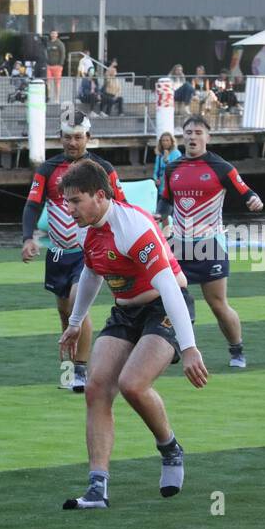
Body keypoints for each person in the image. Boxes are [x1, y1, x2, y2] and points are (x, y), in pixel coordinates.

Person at [58, 159, 207, 510]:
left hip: (164, 308)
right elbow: (94, 274)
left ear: (99, 195)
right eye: (66, 201)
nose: (69, 209)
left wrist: (189, 348)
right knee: (96, 387)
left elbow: (170, 287)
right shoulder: (88, 227)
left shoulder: (132, 227)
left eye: (75, 201)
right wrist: (76, 321)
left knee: (132, 384)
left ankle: (170, 448)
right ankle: (97, 487)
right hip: (125, 311)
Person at [21, 115, 127, 393]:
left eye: (78, 137)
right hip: (57, 253)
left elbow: (121, 204)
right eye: (68, 136)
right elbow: (32, 206)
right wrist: (28, 238)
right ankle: (70, 371)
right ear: (60, 137)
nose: (72, 142)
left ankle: (81, 372)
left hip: (89, 250)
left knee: (77, 305)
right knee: (64, 312)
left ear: (88, 138)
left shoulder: (101, 168)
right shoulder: (47, 169)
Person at [156, 115, 263, 369]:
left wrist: (254, 200)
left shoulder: (221, 167)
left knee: (217, 304)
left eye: (198, 132)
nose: (192, 137)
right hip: (179, 245)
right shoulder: (173, 168)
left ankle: (237, 350)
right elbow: (165, 201)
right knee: (169, 300)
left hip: (209, 245)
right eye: (188, 132)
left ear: (208, 137)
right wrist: (161, 217)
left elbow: (246, 192)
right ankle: (172, 346)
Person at [44, 29, 65, 97]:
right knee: (47, 82)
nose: (53, 35)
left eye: (54, 33)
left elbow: (63, 54)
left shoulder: (60, 43)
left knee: (57, 83)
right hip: (48, 66)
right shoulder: (48, 43)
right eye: (52, 33)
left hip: (57, 66)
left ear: (57, 34)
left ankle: (57, 99)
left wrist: (60, 65)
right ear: (50, 34)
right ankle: (48, 97)